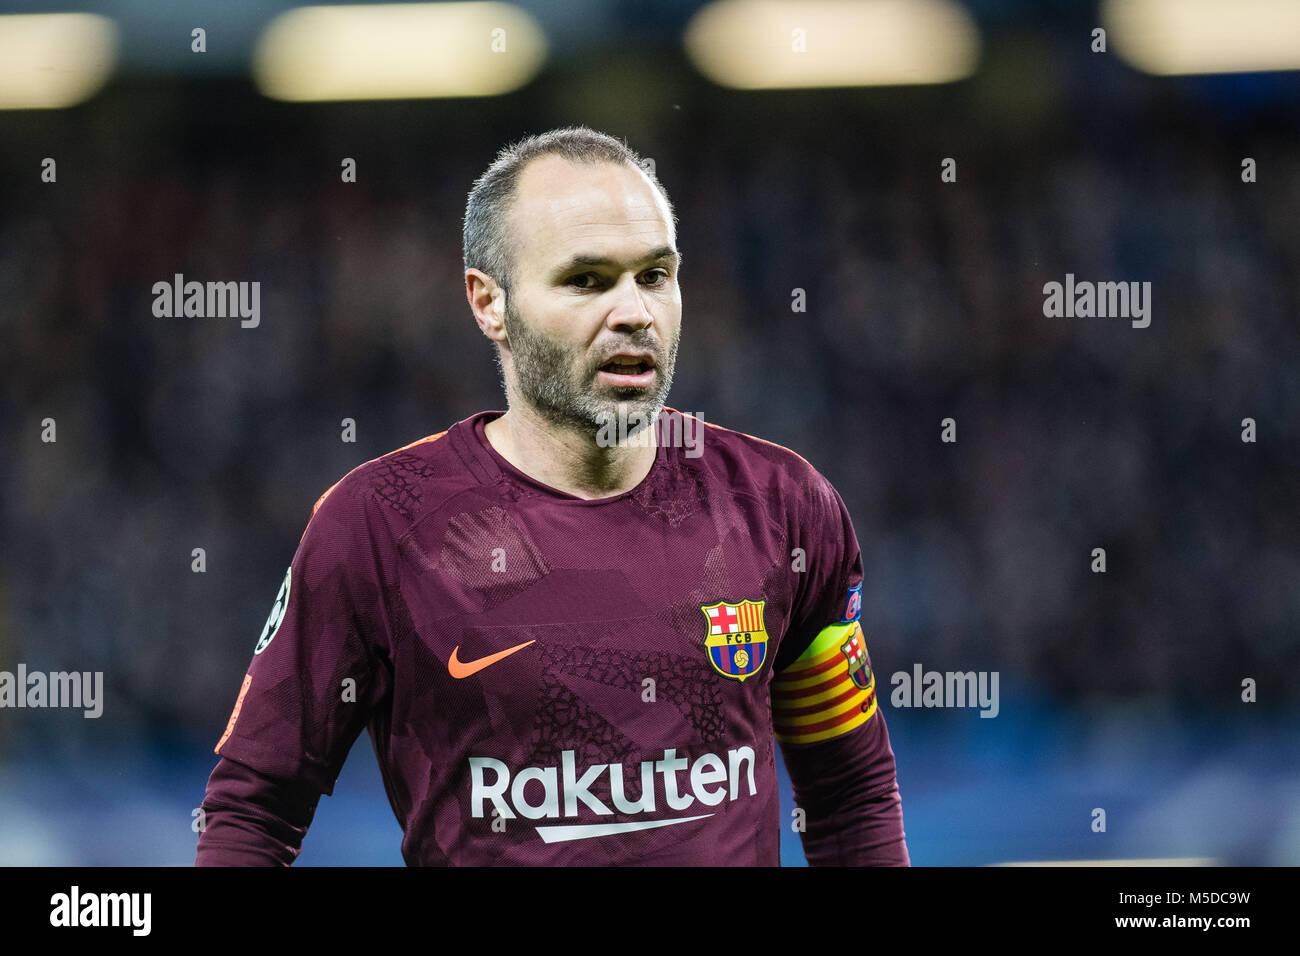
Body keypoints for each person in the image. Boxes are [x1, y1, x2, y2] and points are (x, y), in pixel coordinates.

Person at [195, 125, 908, 865]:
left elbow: (851, 797)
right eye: (587, 280)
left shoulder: (782, 505)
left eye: (655, 275)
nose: (634, 311)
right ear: (489, 303)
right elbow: (255, 809)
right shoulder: (378, 523)